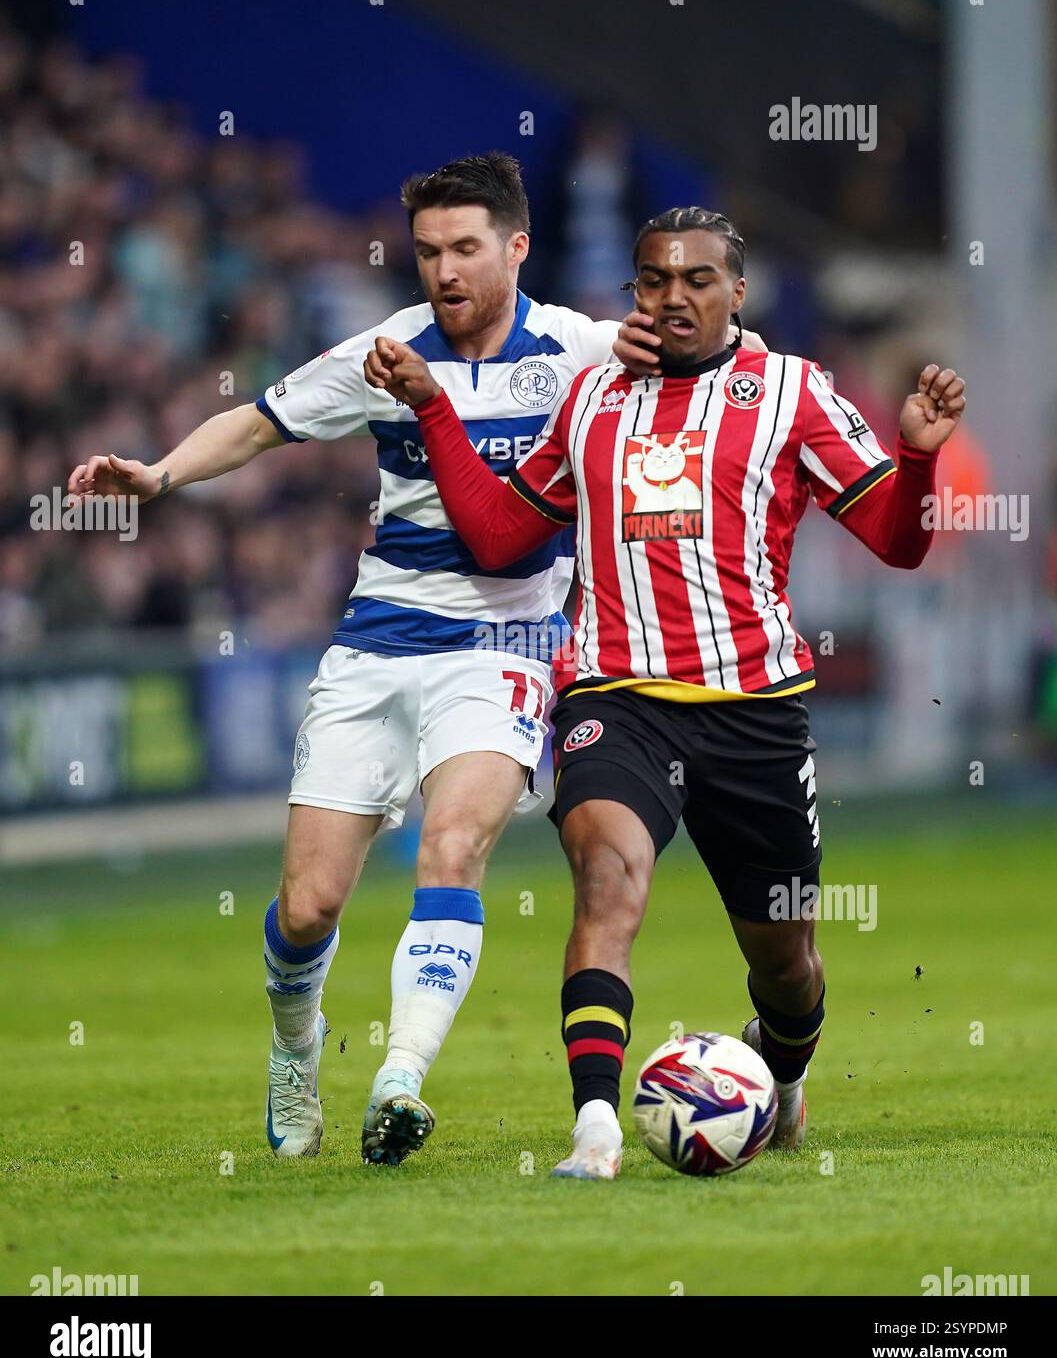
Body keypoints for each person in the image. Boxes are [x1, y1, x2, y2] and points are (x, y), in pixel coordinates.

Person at [66, 156, 764, 1167]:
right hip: (376, 643)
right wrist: (163, 473)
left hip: (505, 644)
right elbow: (259, 423)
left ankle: (399, 1079)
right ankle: (296, 1049)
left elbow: (713, 356)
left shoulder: (577, 347)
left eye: (465, 249)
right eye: (428, 251)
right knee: (307, 907)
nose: (444, 270)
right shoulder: (385, 352)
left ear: (516, 247)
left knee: (454, 849)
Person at [364, 205, 966, 1179]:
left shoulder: (792, 395)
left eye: (696, 279)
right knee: (607, 883)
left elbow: (897, 544)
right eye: (653, 280)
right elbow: (497, 536)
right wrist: (435, 404)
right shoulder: (592, 399)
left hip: (754, 710)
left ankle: (779, 1066)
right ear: (632, 292)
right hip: (616, 697)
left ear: (737, 291)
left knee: (787, 964)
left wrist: (921, 456)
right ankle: (595, 1128)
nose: (674, 296)